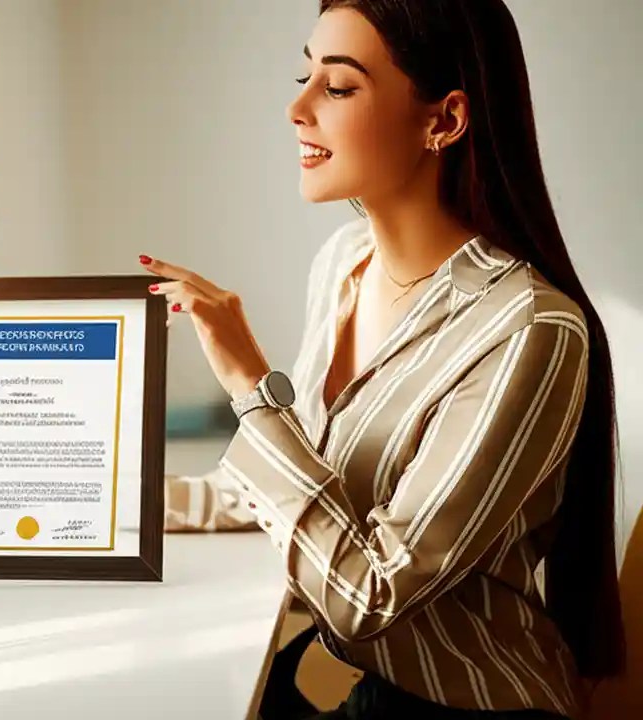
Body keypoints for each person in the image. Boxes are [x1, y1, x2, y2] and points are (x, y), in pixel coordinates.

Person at [143, 1, 625, 718]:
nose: (296, 107)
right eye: (304, 75)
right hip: (348, 684)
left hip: (462, 704)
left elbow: (366, 595)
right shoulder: (345, 264)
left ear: (444, 121)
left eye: (337, 87)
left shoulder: (529, 330)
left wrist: (249, 383)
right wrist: (108, 508)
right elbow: (283, 490)